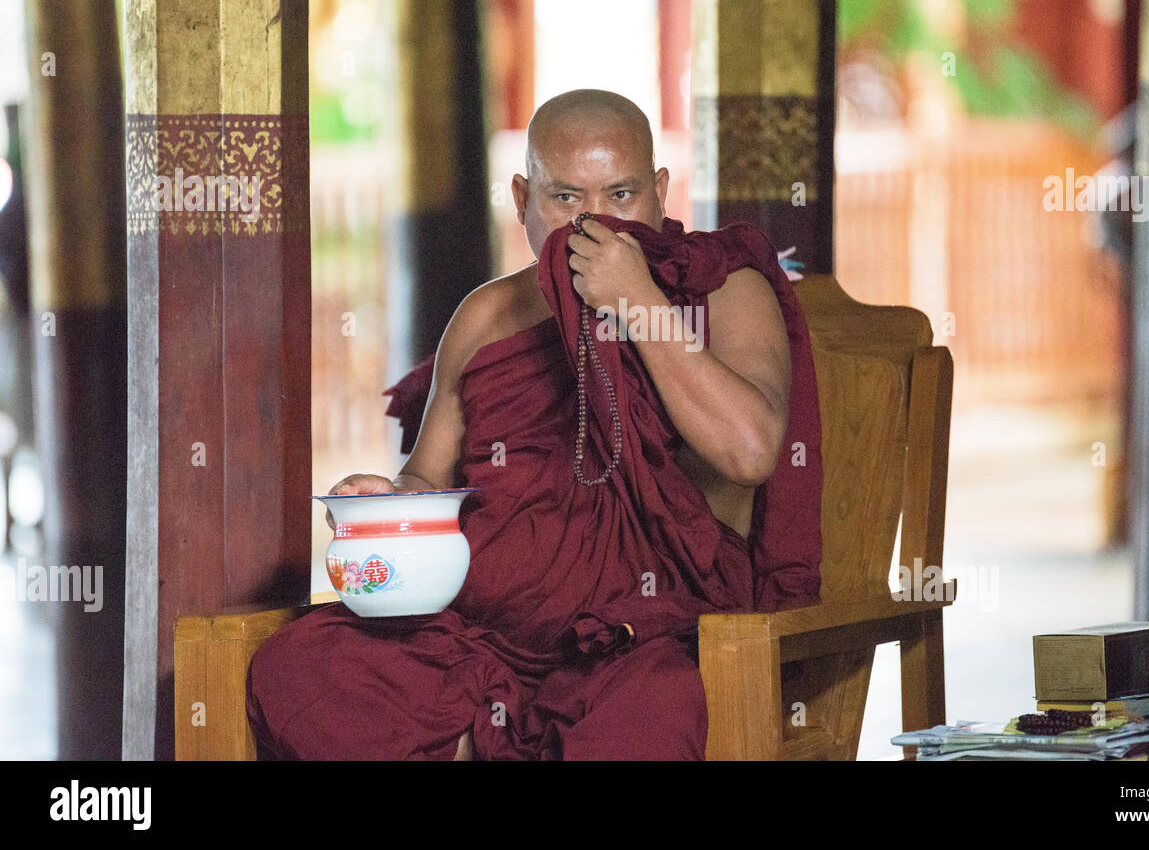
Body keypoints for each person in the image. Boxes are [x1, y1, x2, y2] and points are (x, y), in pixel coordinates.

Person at [245, 89, 822, 759]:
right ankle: (479, 737)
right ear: (522, 198)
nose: (594, 225)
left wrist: (637, 301)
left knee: (647, 716)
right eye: (566, 198)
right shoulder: (488, 317)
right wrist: (386, 504)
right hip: (481, 639)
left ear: (662, 192)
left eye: (622, 194)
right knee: (301, 664)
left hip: (641, 642)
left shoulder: (720, 289)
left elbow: (750, 452)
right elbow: (426, 475)